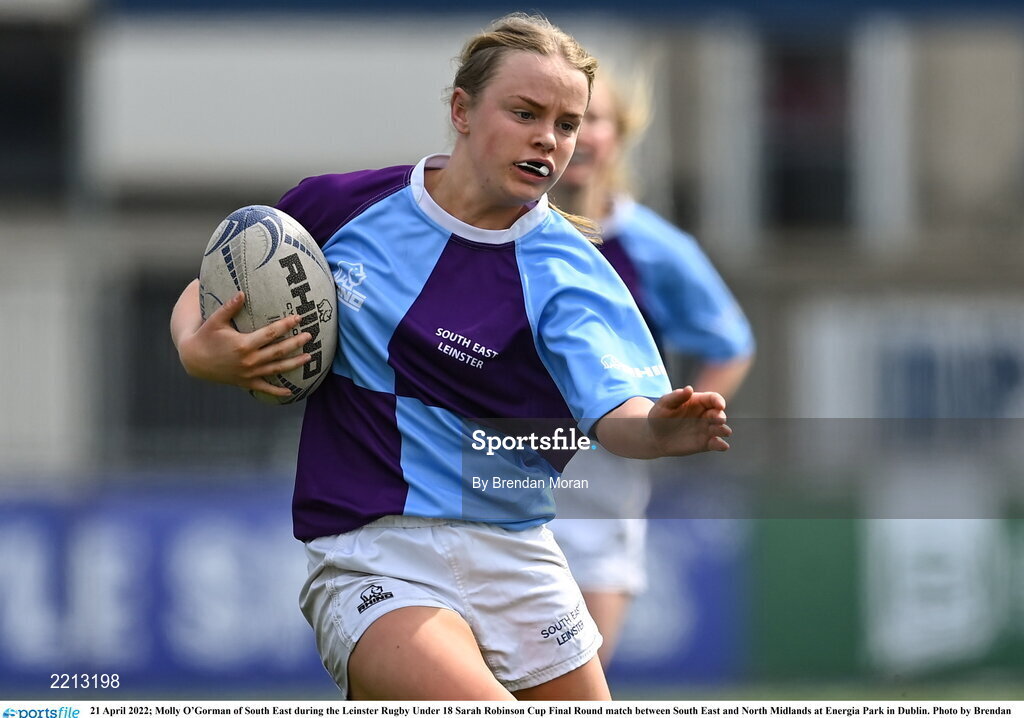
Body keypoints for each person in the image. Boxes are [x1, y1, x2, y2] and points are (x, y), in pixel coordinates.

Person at [169, 13, 731, 700]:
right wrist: (198, 352)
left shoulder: (571, 273)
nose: (547, 140)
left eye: (566, 123)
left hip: (517, 555)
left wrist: (656, 431)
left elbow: (617, 408)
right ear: (462, 109)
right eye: (525, 112)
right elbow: (210, 288)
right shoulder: (341, 207)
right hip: (372, 554)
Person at [547, 70, 755, 665]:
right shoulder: (493, 231)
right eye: (564, 120)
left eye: (594, 119)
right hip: (493, 479)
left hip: (601, 491)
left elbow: (731, 343)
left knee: (572, 687)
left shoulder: (654, 248)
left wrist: (679, 426)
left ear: (619, 135)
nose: (578, 134)